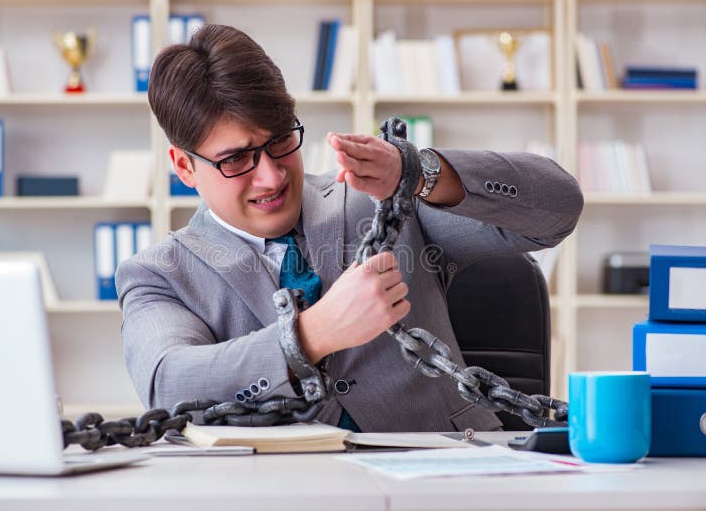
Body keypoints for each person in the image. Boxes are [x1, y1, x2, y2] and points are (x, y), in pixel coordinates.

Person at [116, 24, 583, 432]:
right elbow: (169, 385)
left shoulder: (382, 198)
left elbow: (557, 209)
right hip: (281, 488)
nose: (272, 177)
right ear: (184, 166)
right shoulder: (160, 274)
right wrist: (313, 334)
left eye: (281, 142)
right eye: (237, 159)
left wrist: (419, 173)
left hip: (440, 474)